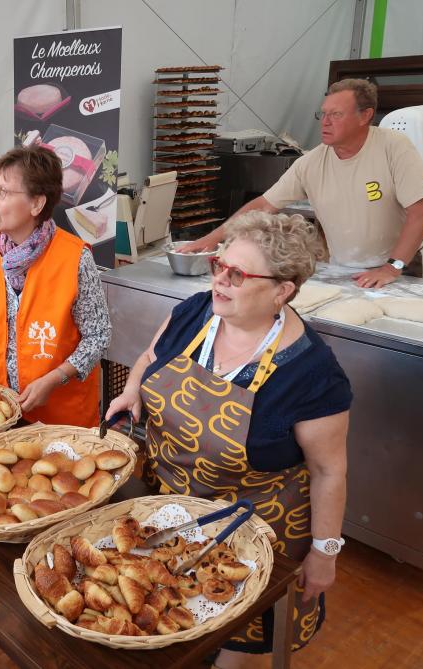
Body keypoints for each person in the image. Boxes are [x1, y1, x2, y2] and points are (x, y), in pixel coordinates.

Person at [107, 212, 351, 666]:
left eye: (237, 274)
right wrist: (132, 391)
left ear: (282, 291)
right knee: (166, 616)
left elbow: (328, 470)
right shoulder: (194, 313)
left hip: (253, 535)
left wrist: (325, 552)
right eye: (218, 265)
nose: (219, 279)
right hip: (169, 511)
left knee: (234, 638)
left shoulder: (312, 374)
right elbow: (148, 356)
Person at [184, 78, 423, 289]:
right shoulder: (311, 163)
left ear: (365, 116)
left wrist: (392, 267)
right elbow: (263, 206)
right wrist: (212, 238)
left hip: (401, 266)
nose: (325, 122)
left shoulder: (393, 148)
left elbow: (422, 212)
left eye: (336, 114)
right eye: (323, 114)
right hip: (343, 268)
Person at [0, 145, 111, 427]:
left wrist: (55, 378)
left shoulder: (75, 259)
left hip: (60, 421)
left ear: (37, 204)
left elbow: (98, 336)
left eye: (3, 192)